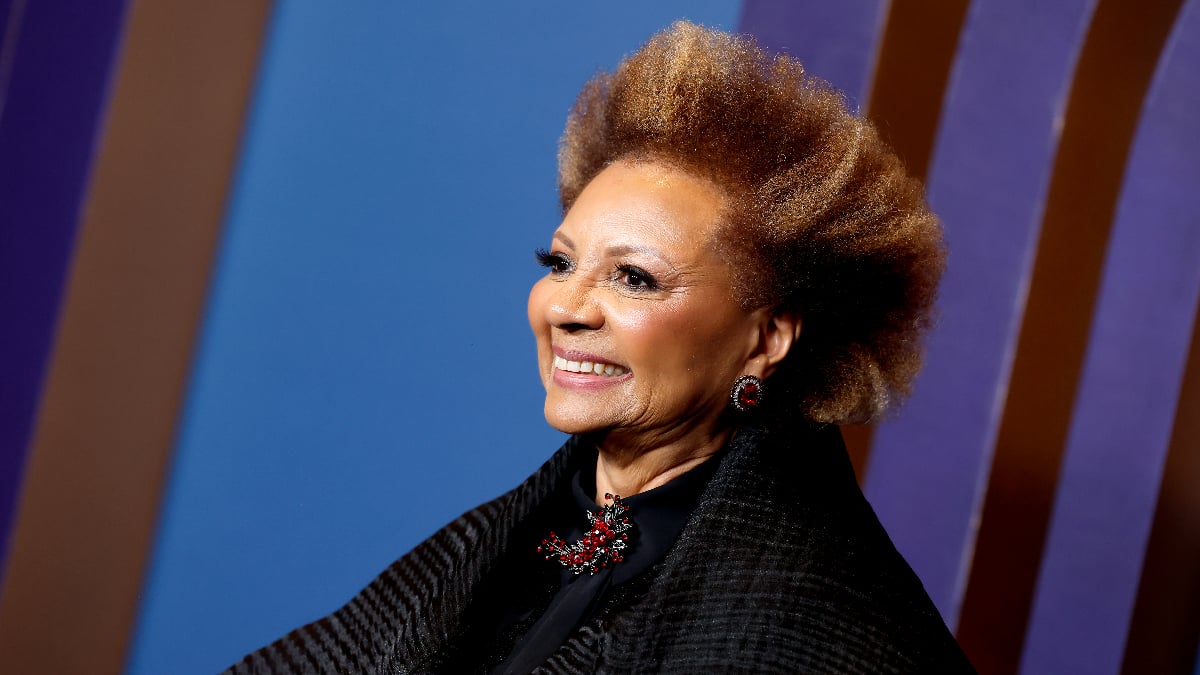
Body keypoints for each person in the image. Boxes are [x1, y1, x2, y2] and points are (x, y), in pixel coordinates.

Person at [226, 21, 974, 674]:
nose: (568, 307)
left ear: (766, 338)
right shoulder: (493, 546)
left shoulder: (824, 623)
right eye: (559, 262)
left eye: (635, 277)